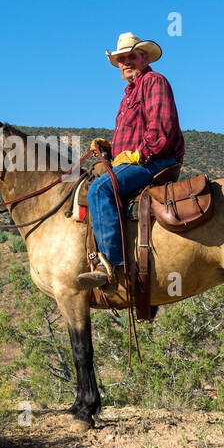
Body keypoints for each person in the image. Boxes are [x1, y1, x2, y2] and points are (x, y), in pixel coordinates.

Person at [77, 32, 185, 290]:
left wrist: (137, 156)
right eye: (121, 59)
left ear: (144, 57)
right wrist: (111, 149)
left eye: (131, 57)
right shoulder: (129, 94)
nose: (126, 62)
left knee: (101, 189)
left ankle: (112, 266)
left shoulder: (154, 82)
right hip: (136, 161)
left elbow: (160, 130)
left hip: (156, 161)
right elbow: (133, 138)